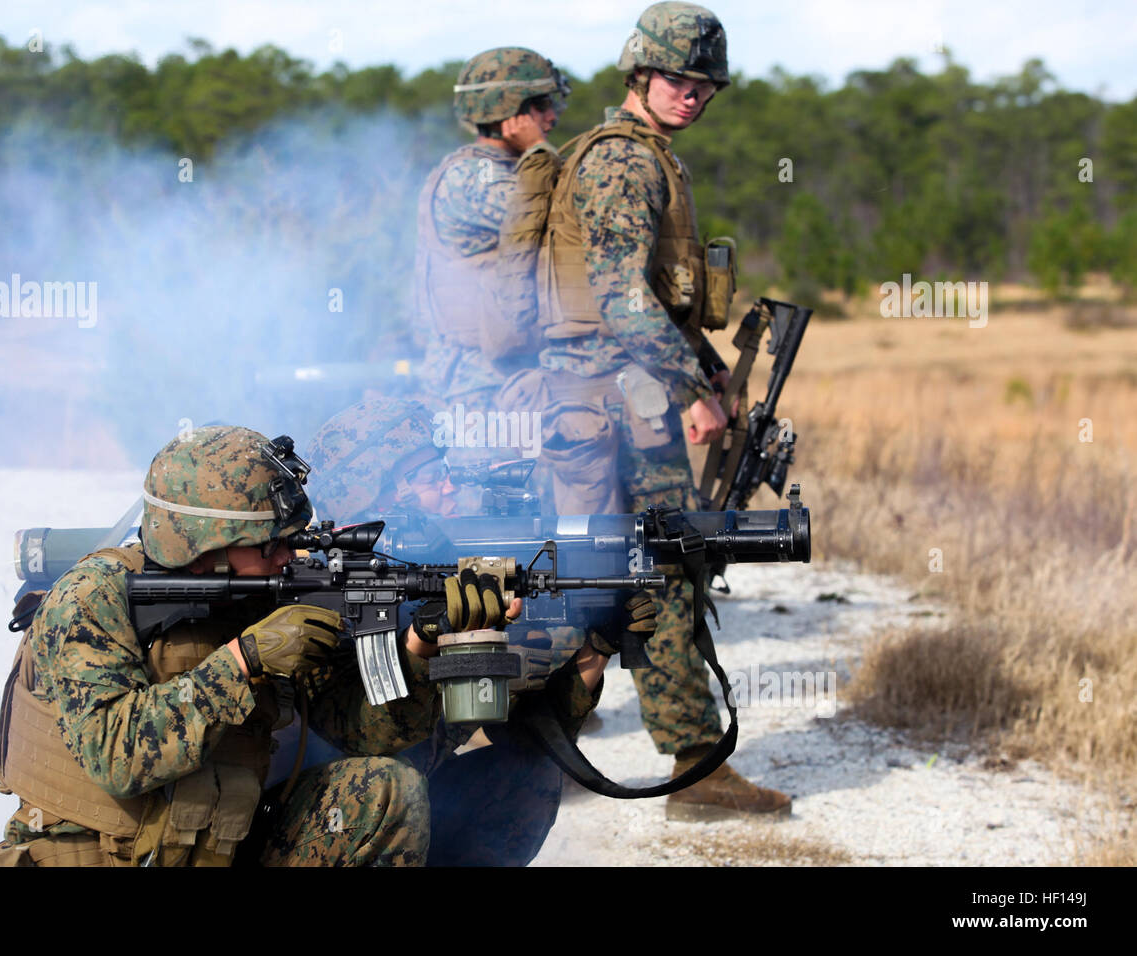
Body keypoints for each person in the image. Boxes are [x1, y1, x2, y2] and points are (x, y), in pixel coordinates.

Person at [498, 2, 791, 819]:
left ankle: (536, 760)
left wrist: (704, 370)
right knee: (662, 571)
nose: (693, 94)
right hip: (617, 408)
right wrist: (696, 393)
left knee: (611, 586)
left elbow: (649, 300)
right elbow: (623, 298)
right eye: (678, 78)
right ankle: (692, 774)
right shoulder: (625, 163)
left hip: (604, 404)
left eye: (706, 85)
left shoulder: (637, 155)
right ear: (641, 73)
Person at [0, 425, 468, 867]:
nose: (291, 555)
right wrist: (244, 662)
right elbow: (115, 755)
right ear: (205, 546)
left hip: (215, 846)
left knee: (384, 792)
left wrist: (418, 644)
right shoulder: (92, 596)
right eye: (272, 544)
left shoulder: (261, 597)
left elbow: (364, 732)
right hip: (94, 854)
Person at [302, 398, 646, 865]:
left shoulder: (449, 568)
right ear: (380, 497)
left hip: (413, 803)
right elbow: (369, 740)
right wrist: (422, 641)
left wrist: (597, 650)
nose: (448, 485)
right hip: (339, 819)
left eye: (444, 469)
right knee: (388, 784)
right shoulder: (321, 594)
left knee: (529, 773)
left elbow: (533, 735)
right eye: (429, 476)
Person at [412, 47, 570, 430]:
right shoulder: (475, 178)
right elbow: (562, 223)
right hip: (478, 385)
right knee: (491, 489)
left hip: (503, 378)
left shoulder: (503, 170)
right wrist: (538, 151)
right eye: (540, 105)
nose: (551, 117)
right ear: (509, 113)